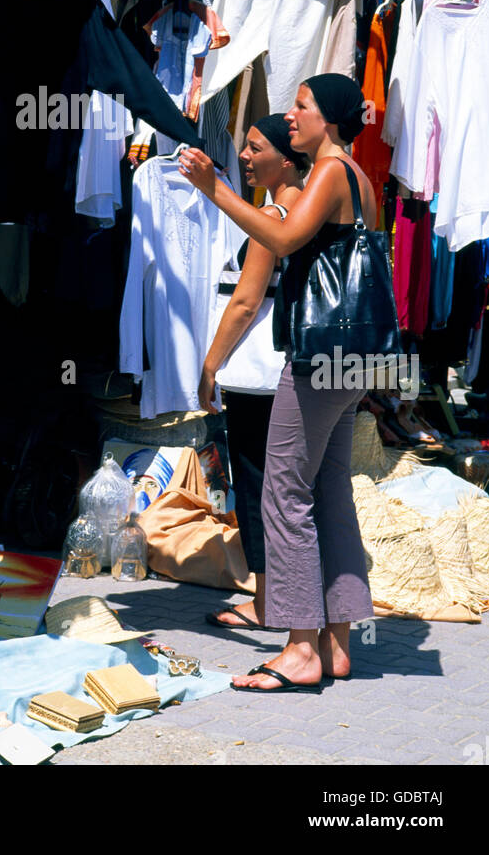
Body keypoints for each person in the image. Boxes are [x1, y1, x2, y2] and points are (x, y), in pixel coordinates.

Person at [180, 73, 375, 693]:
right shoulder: (362, 178)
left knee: (283, 493)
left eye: (301, 107)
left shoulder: (329, 170)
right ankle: (337, 643)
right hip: (355, 354)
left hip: (319, 353)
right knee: (330, 493)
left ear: (332, 119)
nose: (291, 117)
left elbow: (284, 235)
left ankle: (298, 650)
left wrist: (214, 190)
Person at [198, 115, 306, 632]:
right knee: (287, 488)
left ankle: (267, 603)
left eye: (255, 148)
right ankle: (288, 600)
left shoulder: (272, 216)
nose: (243, 156)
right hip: (293, 373)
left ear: (286, 158)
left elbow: (244, 302)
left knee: (259, 484)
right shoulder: (304, 208)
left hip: (258, 377)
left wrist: (210, 366)